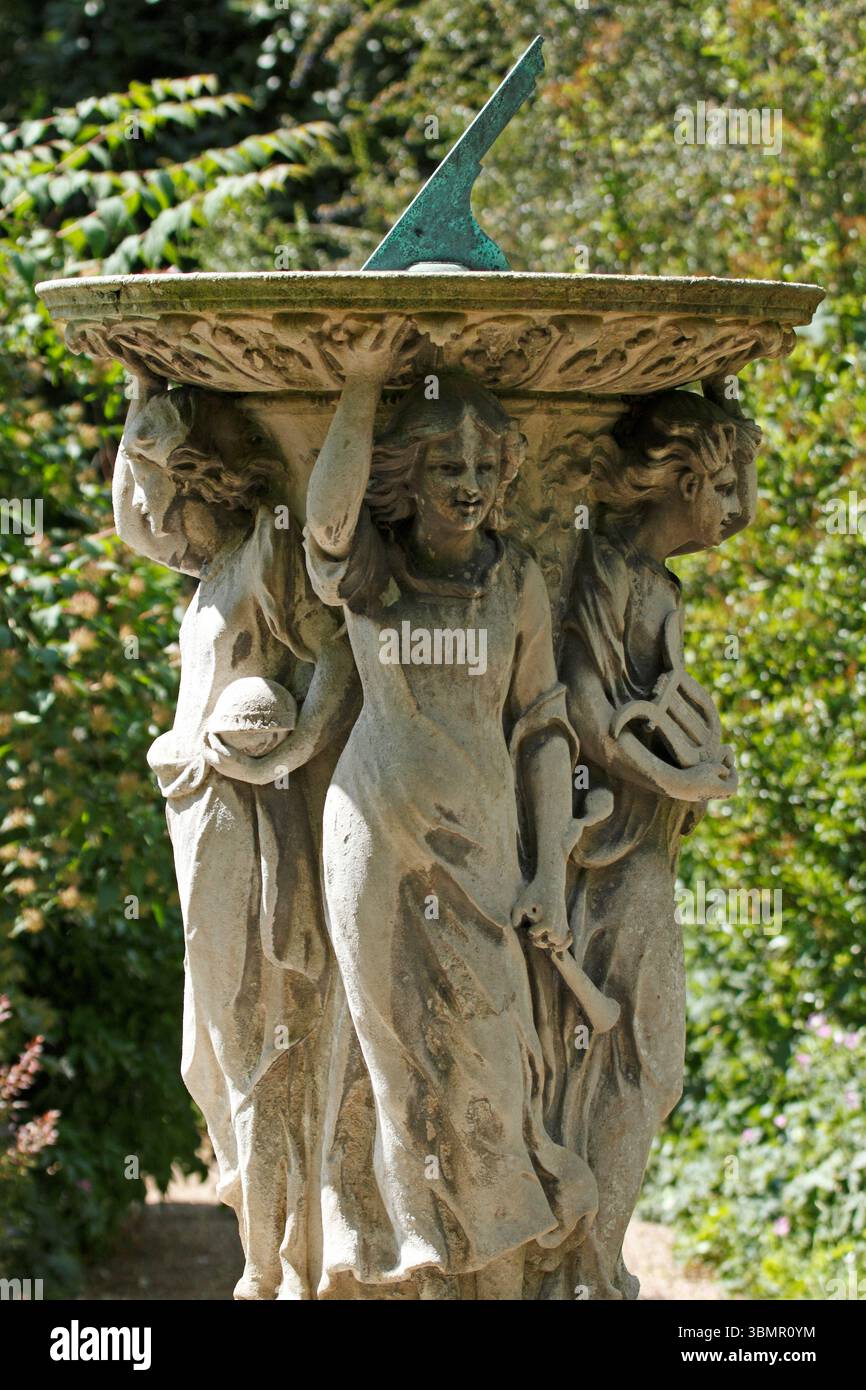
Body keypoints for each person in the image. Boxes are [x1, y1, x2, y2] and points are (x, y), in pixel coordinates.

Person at [304, 323, 598, 1300]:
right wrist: (356, 388)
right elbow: (325, 528)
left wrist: (549, 868)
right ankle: (423, 1274)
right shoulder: (372, 574)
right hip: (372, 836)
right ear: (408, 474)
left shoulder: (513, 578)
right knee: (398, 1070)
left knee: (493, 1064)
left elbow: (544, 726)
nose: (469, 482)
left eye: (484, 463)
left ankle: (506, 1277)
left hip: (483, 848)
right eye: (446, 464)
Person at [114, 372, 357, 1299]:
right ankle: (279, 1247)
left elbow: (336, 652)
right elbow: (132, 523)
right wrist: (143, 391)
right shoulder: (209, 574)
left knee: (253, 1042)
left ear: (193, 482)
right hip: (196, 808)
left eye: (152, 482)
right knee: (206, 1051)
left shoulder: (263, 556)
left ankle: (274, 1270)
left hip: (239, 811)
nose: (142, 509)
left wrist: (288, 747)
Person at [550, 377, 761, 1300]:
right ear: (674, 479)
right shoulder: (604, 569)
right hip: (604, 849)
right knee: (643, 1054)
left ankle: (586, 1259)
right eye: (725, 488)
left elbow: (654, 707)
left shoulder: (655, 585)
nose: (740, 512)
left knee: (631, 1057)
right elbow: (588, 715)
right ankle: (583, 1264)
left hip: (643, 842)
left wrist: (694, 766)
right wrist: (678, 778)